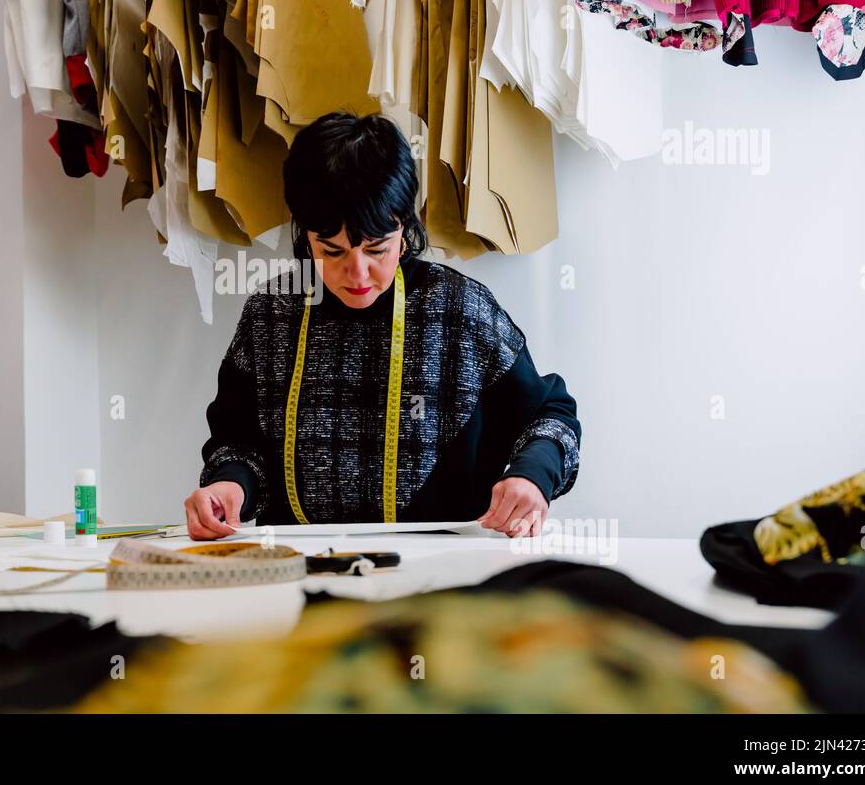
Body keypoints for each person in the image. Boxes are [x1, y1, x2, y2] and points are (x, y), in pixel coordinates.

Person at [184, 112, 580, 539]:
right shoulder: (270, 314)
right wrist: (229, 483)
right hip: (299, 567)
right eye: (331, 251)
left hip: (440, 572)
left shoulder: (462, 312)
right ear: (305, 236)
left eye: (377, 249)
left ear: (405, 229)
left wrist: (533, 475)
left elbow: (551, 415)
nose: (357, 274)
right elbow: (236, 440)